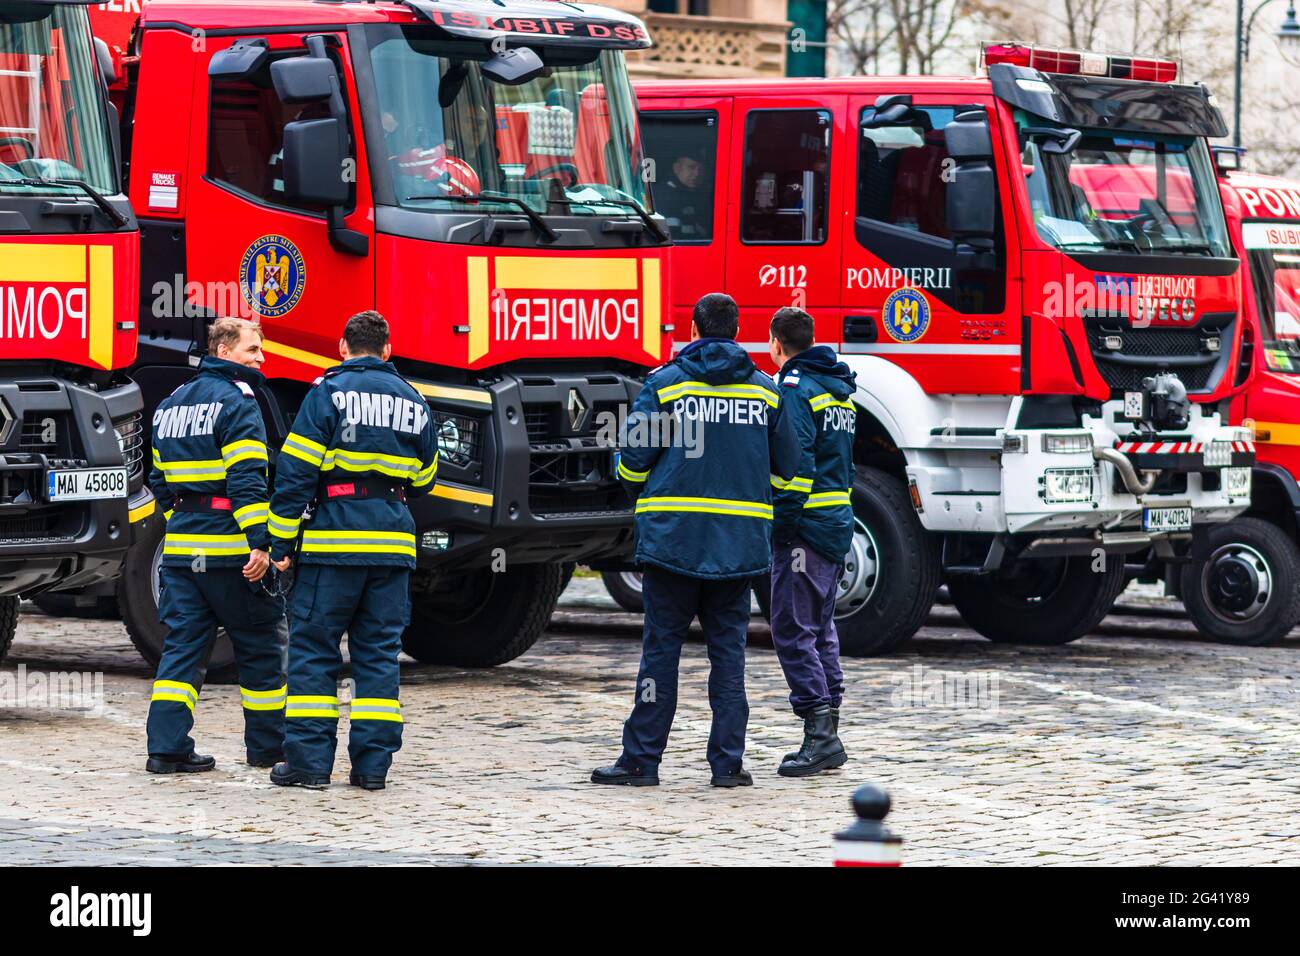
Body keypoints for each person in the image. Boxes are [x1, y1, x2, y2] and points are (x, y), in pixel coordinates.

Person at [591, 293, 799, 787]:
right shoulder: (767, 393)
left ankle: (641, 760)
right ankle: (729, 765)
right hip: (739, 548)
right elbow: (789, 472)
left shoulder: (665, 385)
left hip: (673, 545)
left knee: (660, 653)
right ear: (736, 328)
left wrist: (654, 491)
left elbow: (631, 462)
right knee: (728, 657)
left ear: (693, 326)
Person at [266, 311, 438, 791]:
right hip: (393, 546)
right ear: (388, 350)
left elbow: (296, 472)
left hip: (333, 545)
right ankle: (372, 769)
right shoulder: (414, 399)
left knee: (314, 651)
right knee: (379, 656)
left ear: (342, 346)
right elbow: (424, 479)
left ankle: (308, 765)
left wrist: (279, 542)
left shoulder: (327, 392)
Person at [144, 318, 286, 774]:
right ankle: (267, 748)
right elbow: (247, 480)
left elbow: (157, 479)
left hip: (183, 553)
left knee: (183, 649)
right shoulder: (238, 401)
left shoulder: (171, 404)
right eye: (253, 350)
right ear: (225, 350)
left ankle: (166, 749)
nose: (260, 359)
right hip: (229, 553)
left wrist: (183, 521)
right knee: (262, 645)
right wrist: (259, 544)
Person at [767, 307, 856, 776]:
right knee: (821, 629)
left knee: (791, 628)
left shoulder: (797, 389)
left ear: (776, 344)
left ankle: (820, 733)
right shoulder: (840, 391)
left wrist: (781, 528)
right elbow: (846, 466)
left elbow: (795, 470)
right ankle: (828, 729)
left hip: (806, 527)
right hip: (837, 521)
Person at [655, 149, 709, 241]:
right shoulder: (665, 195)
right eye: (691, 167)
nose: (697, 173)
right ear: (677, 168)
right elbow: (673, 239)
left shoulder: (687, 194)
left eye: (700, 169)